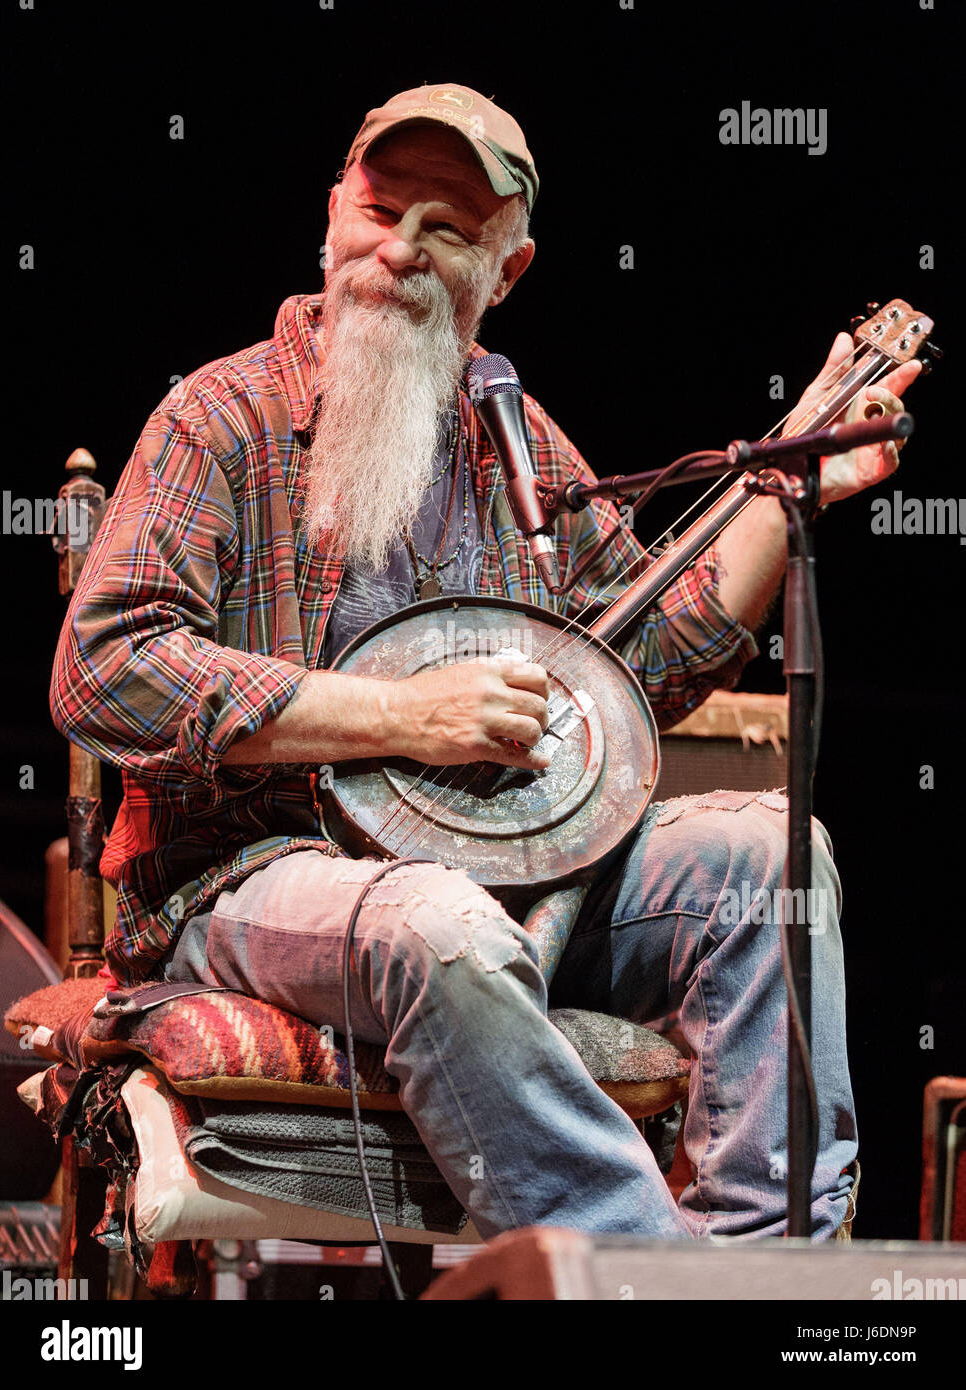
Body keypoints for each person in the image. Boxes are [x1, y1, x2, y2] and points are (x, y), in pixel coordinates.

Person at [50, 83, 920, 1242]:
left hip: (520, 878)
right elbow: (105, 667)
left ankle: (779, 1270)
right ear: (332, 210)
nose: (400, 248)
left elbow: (644, 659)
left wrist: (781, 495)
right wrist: (399, 714)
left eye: (449, 228)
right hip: (254, 874)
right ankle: (647, 1282)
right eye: (381, 207)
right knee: (438, 921)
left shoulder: (517, 441)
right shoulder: (223, 418)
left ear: (505, 274)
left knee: (772, 853)